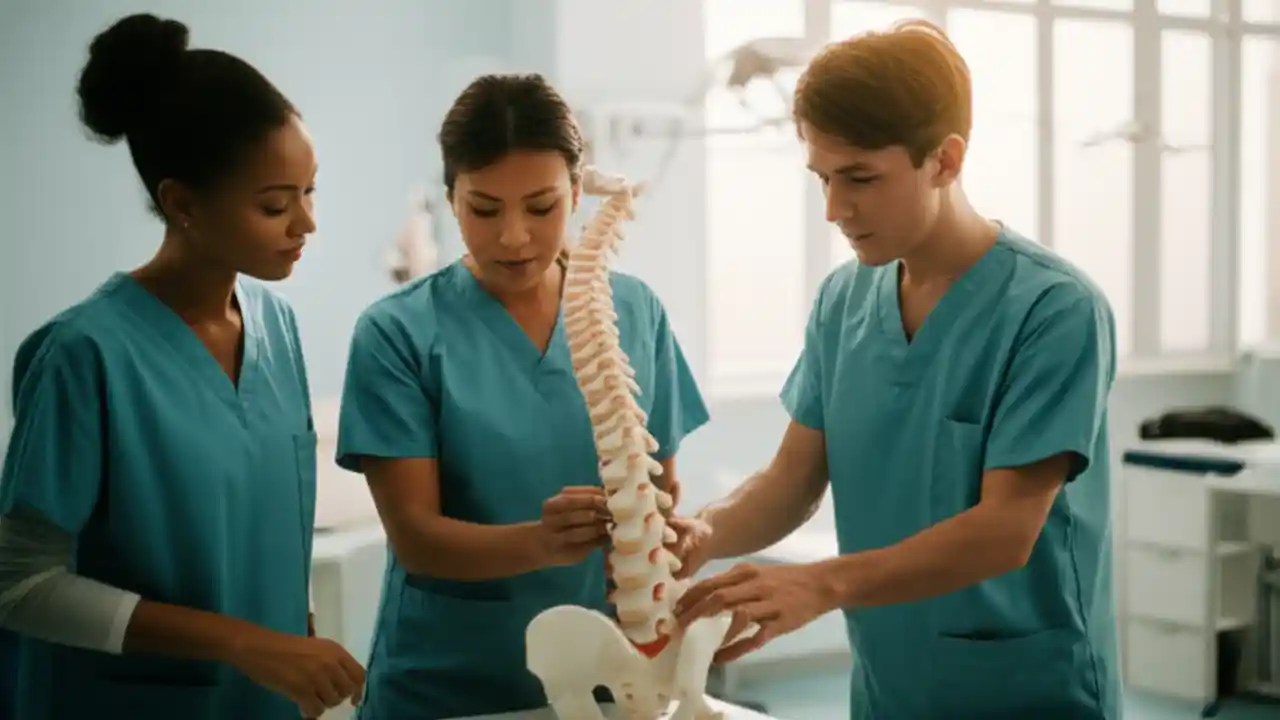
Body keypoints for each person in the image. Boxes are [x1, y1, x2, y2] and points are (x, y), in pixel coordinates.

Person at [670, 19, 1121, 720]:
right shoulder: (843, 301)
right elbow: (792, 482)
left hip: (1025, 690)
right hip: (890, 689)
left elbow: (1006, 529)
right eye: (823, 178)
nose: (834, 209)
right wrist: (705, 531)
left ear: (944, 160)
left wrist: (821, 585)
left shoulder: (1054, 312)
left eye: (860, 178)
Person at [0, 13, 364, 718]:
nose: (306, 224)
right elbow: (18, 583)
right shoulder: (86, 354)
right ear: (182, 202)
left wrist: (297, 631)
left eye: (310, 192)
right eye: (274, 204)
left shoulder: (277, 326)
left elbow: (262, 524)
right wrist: (244, 643)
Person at [335, 72, 710, 719]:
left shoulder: (634, 310)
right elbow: (417, 537)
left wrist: (671, 536)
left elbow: (663, 489)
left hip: (605, 687)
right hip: (447, 686)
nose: (514, 236)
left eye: (542, 207)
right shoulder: (397, 333)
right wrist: (541, 542)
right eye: (484, 208)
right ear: (450, 197)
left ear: (578, 189)